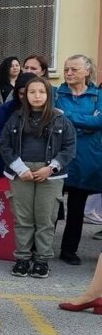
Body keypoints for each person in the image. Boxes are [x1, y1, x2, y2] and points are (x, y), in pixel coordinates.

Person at [0, 77, 75, 279]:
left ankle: (41, 260)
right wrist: (19, 168)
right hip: (20, 172)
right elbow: (5, 145)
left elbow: (69, 148)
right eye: (32, 92)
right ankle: (22, 259)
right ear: (25, 95)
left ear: (49, 95)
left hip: (50, 174)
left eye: (42, 91)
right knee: (23, 218)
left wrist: (51, 168)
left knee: (45, 219)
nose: (37, 96)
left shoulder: (60, 119)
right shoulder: (16, 117)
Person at [53, 55, 101, 266]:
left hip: (86, 157)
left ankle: (68, 250)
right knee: (51, 206)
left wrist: (69, 116)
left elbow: (99, 121)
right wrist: (87, 123)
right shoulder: (56, 93)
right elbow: (54, 118)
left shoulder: (98, 95)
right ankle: (42, 248)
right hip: (59, 154)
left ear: (87, 72)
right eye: (66, 69)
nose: (68, 73)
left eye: (74, 69)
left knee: (76, 206)